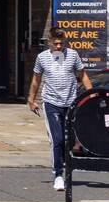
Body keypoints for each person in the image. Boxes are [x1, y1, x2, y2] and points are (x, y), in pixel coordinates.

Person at [29, 29, 93, 191]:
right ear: (49, 42)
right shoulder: (42, 57)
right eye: (55, 43)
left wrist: (92, 95)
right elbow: (36, 79)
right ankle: (58, 174)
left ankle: (64, 163)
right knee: (56, 139)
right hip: (51, 103)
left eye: (61, 43)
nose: (58, 46)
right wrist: (31, 100)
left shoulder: (72, 55)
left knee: (69, 141)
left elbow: (83, 75)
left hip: (70, 103)